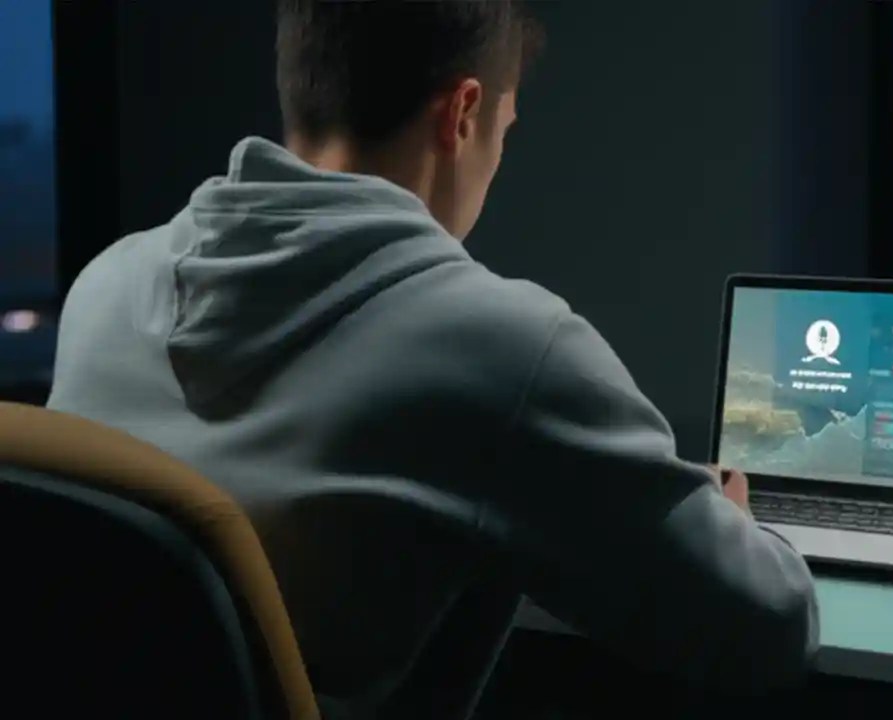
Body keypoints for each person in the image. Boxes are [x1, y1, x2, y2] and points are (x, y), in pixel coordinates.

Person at [47, 1, 819, 718]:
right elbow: (766, 628)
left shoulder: (104, 287)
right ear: (463, 113)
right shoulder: (506, 347)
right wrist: (737, 527)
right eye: (505, 133)